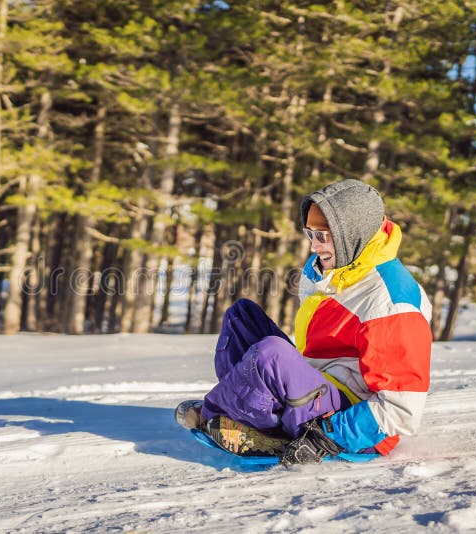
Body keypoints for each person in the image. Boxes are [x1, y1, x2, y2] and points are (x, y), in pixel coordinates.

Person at [176, 178, 433, 464]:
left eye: (322, 235)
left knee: (271, 354)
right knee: (241, 318)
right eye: (309, 233)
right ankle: (246, 416)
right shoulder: (332, 269)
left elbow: (402, 411)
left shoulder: (392, 303)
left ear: (352, 234)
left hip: (351, 424)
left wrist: (324, 436)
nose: (313, 247)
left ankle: (219, 418)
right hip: (322, 387)